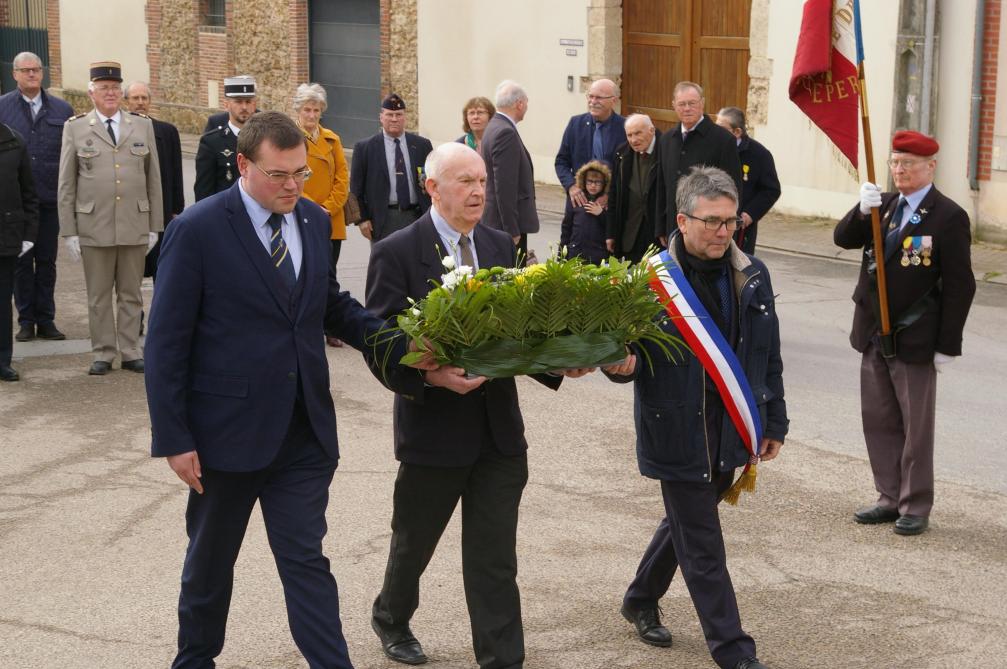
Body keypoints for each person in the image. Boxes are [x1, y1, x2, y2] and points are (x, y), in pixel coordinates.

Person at [145, 111, 431, 669]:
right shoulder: (199, 228)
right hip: (224, 439)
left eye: (300, 172)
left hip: (302, 432)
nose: (294, 185)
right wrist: (174, 437)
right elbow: (165, 343)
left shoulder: (309, 220)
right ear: (244, 165)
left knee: (305, 562)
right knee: (209, 566)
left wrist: (402, 345)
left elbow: (331, 306)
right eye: (280, 174)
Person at [365, 142, 589, 669]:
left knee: (494, 558)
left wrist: (558, 362)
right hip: (433, 431)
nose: (478, 191)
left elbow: (520, 335)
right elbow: (379, 346)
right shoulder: (396, 252)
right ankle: (392, 617)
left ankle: (501, 658)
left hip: (498, 433)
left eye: (483, 181)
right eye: (465, 181)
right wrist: (434, 378)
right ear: (432, 189)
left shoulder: (498, 244)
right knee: (413, 543)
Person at [606, 166, 786, 669]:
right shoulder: (650, 280)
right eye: (711, 222)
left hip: (729, 425)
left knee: (687, 523)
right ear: (682, 221)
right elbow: (628, 357)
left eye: (730, 221)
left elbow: (767, 356)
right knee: (703, 541)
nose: (723, 232)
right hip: (676, 428)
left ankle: (641, 597)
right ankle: (732, 649)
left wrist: (775, 423)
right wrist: (619, 366)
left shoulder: (752, 274)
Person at [835, 130, 976, 537]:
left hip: (916, 337)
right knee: (878, 419)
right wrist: (862, 211)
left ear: (930, 167)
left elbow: (960, 285)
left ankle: (915, 504)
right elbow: (842, 239)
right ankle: (888, 496)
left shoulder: (946, 216)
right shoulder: (885, 206)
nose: (900, 171)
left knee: (915, 427)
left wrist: (948, 345)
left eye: (909, 164)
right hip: (873, 332)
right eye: (896, 163)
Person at [57, 61, 161, 376]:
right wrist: (69, 231)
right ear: (92, 93)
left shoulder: (141, 126)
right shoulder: (75, 127)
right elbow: (66, 183)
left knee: (131, 293)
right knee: (98, 296)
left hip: (133, 223)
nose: (111, 93)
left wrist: (155, 225)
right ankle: (103, 352)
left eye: (115, 88)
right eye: (104, 88)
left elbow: (152, 178)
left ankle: (130, 350)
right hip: (94, 225)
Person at [0, 51, 73, 343]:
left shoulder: (61, 109)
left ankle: (46, 319)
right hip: (15, 204)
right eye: (26, 70)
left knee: (46, 262)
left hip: (49, 197)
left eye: (36, 70)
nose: (32, 74)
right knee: (20, 261)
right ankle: (26, 320)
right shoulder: (3, 108)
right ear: (14, 74)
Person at [293, 82, 350, 348]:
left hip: (330, 218)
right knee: (304, 272)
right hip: (301, 214)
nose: (312, 115)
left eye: (316, 110)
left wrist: (328, 207)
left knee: (329, 274)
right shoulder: (290, 138)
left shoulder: (332, 139)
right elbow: (291, 177)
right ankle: (305, 324)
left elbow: (342, 178)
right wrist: (311, 208)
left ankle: (330, 325)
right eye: (307, 109)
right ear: (298, 110)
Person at [656, 82, 742, 246]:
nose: (687, 108)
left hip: (709, 229)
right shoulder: (666, 140)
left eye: (692, 103)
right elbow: (661, 187)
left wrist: (728, 227)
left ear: (702, 103)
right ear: (674, 106)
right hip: (673, 227)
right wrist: (660, 227)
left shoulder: (723, 140)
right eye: (682, 104)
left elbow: (734, 188)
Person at [350, 93, 433, 242]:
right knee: (385, 264)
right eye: (390, 115)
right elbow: (356, 189)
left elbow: (432, 180)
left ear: (405, 117)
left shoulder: (422, 146)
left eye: (398, 114)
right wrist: (361, 220)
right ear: (381, 117)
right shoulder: (365, 148)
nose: (394, 119)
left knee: (418, 262)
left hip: (418, 216)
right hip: (383, 219)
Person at [124, 81, 185, 283]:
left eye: (144, 98)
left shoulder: (167, 132)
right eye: (135, 98)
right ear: (126, 102)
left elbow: (176, 172)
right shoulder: (119, 133)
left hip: (161, 212)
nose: (140, 102)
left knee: (164, 269)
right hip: (130, 214)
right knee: (130, 275)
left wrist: (177, 209)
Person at [480, 80, 538, 259]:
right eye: (526, 102)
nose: (527, 106)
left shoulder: (494, 126)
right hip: (506, 226)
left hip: (496, 222)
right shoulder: (506, 132)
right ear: (519, 104)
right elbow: (505, 186)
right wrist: (511, 230)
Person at [0, 121, 39, 382]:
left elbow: (29, 194)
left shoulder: (14, 141)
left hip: (6, 234)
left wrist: (28, 234)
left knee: (2, 303)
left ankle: (3, 360)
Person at [715, 107, 781, 255]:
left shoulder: (760, 155)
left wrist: (750, 214)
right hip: (713, 222)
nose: (716, 132)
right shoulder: (713, 148)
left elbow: (771, 189)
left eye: (721, 128)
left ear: (737, 132)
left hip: (740, 227)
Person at [555, 78, 625, 208]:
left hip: (611, 206)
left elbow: (628, 171)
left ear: (614, 101)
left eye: (599, 98)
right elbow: (561, 162)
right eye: (590, 96)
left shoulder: (625, 128)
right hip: (579, 202)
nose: (593, 102)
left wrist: (610, 195)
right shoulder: (575, 124)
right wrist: (571, 186)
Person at [607, 113, 662, 263]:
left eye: (638, 133)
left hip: (658, 236)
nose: (633, 140)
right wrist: (611, 233)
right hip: (629, 235)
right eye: (629, 135)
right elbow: (614, 195)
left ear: (652, 130)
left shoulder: (667, 151)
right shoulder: (622, 154)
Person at [194, 75, 257, 201]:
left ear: (254, 105)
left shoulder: (264, 139)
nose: (244, 107)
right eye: (238, 102)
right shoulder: (211, 142)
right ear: (226, 104)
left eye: (248, 102)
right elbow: (204, 191)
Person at [559, 159, 610, 264]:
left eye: (597, 182)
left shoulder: (607, 202)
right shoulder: (576, 199)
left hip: (598, 257)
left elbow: (612, 228)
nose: (593, 185)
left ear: (604, 183)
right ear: (584, 180)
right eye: (590, 181)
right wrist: (561, 256)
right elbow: (566, 228)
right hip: (575, 253)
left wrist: (601, 214)